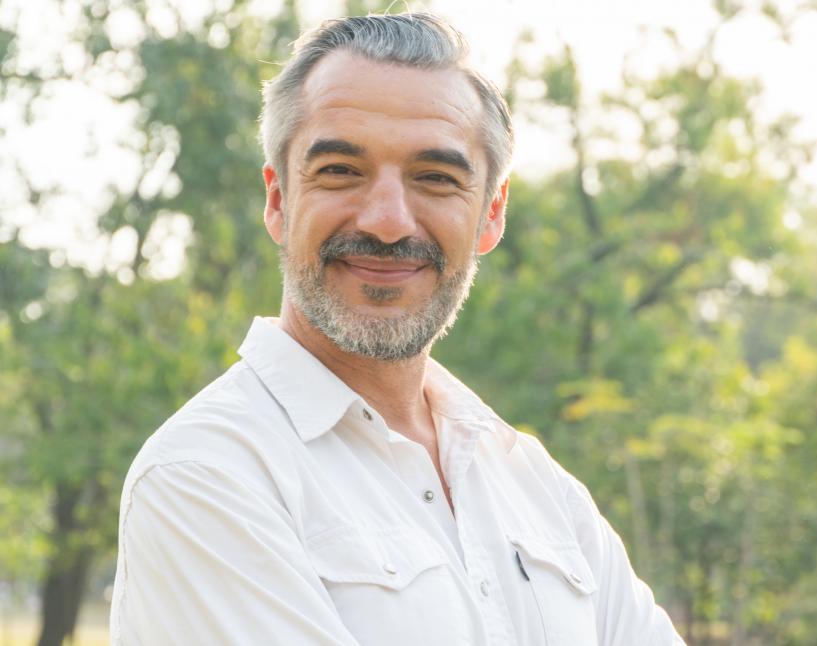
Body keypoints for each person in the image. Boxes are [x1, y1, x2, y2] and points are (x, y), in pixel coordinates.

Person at [109, 12, 684, 646]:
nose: (387, 221)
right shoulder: (206, 474)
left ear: (492, 213)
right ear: (278, 200)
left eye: (435, 178)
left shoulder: (538, 487)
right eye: (340, 170)